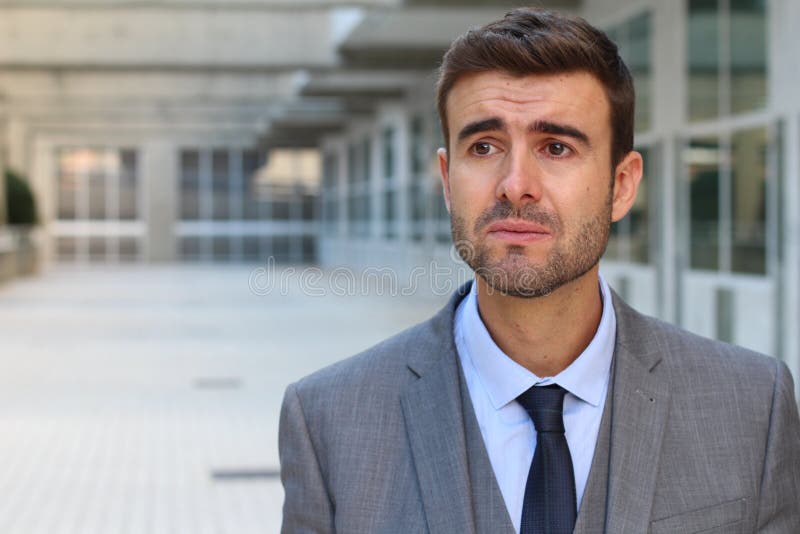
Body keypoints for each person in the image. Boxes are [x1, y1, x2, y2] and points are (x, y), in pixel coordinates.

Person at [279, 8, 800, 533]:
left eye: (556, 147)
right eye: (484, 147)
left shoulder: (754, 406)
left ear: (622, 185)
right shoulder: (329, 420)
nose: (515, 184)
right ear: (446, 179)